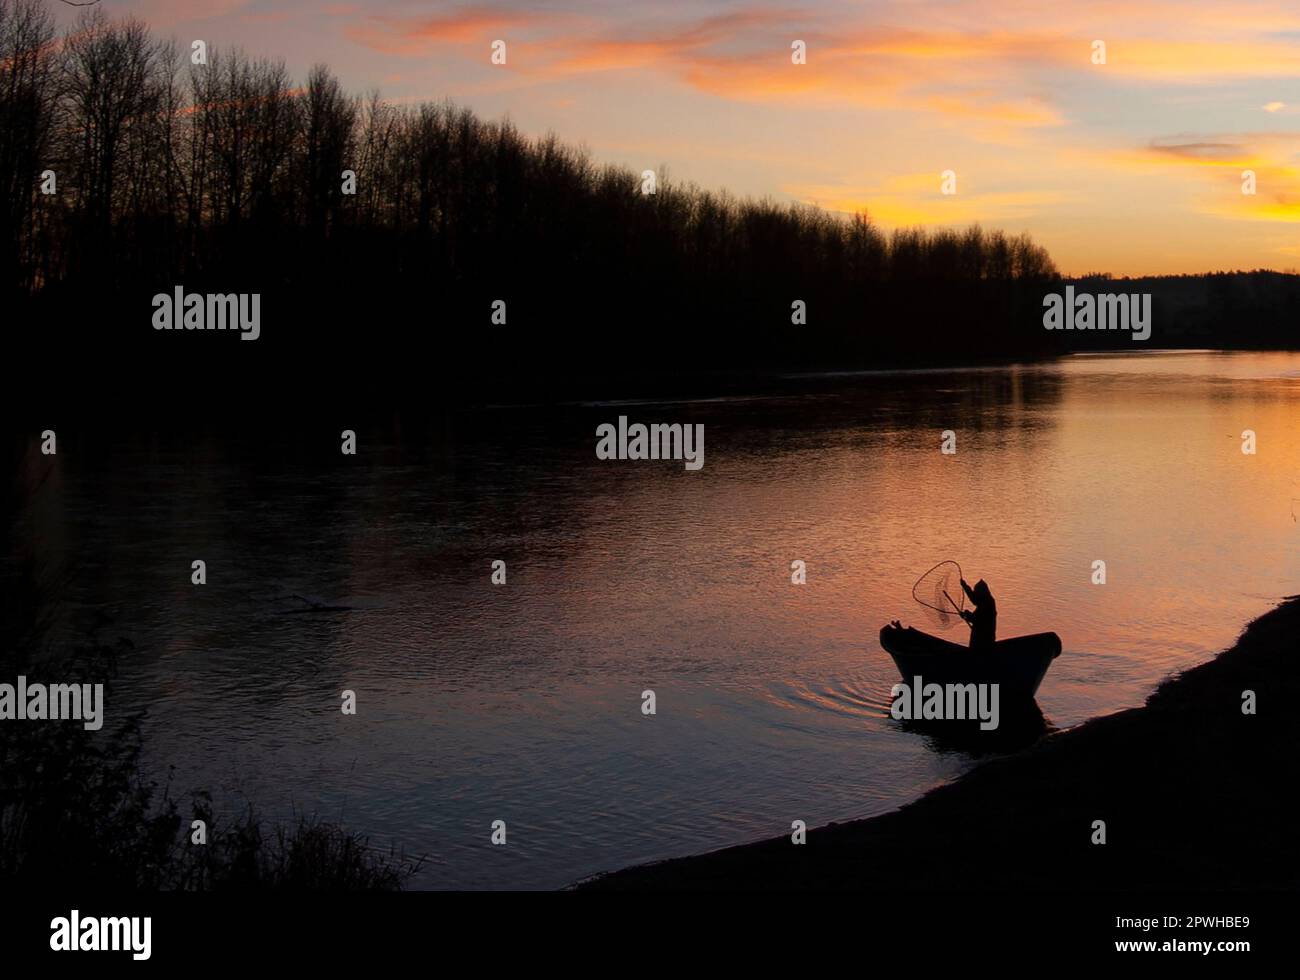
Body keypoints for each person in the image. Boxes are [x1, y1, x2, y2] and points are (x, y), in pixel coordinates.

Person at [959, 577, 997, 651]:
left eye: (977, 592)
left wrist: (967, 615)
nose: (975, 594)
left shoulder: (987, 604)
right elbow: (974, 599)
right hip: (983, 637)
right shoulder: (986, 600)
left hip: (984, 640)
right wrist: (964, 586)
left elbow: (978, 620)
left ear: (981, 593)